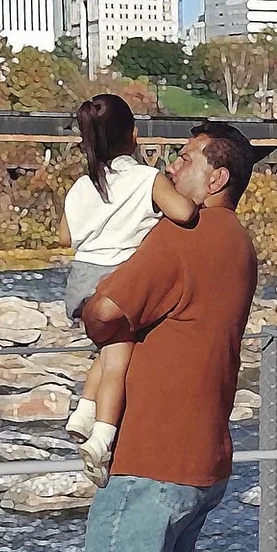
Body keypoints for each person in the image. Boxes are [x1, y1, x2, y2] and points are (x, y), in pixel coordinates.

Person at [73, 123, 258, 552]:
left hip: (152, 456)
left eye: (185, 159)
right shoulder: (238, 242)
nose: (171, 169)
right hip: (202, 459)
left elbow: (108, 308)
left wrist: (90, 313)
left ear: (217, 177)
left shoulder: (184, 234)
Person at [61, 94, 199, 485]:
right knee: (120, 361)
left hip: (82, 280)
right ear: (134, 135)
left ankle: (84, 411)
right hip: (119, 282)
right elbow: (184, 213)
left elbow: (65, 234)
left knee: (106, 352)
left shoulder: (84, 185)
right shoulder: (145, 178)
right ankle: (101, 438)